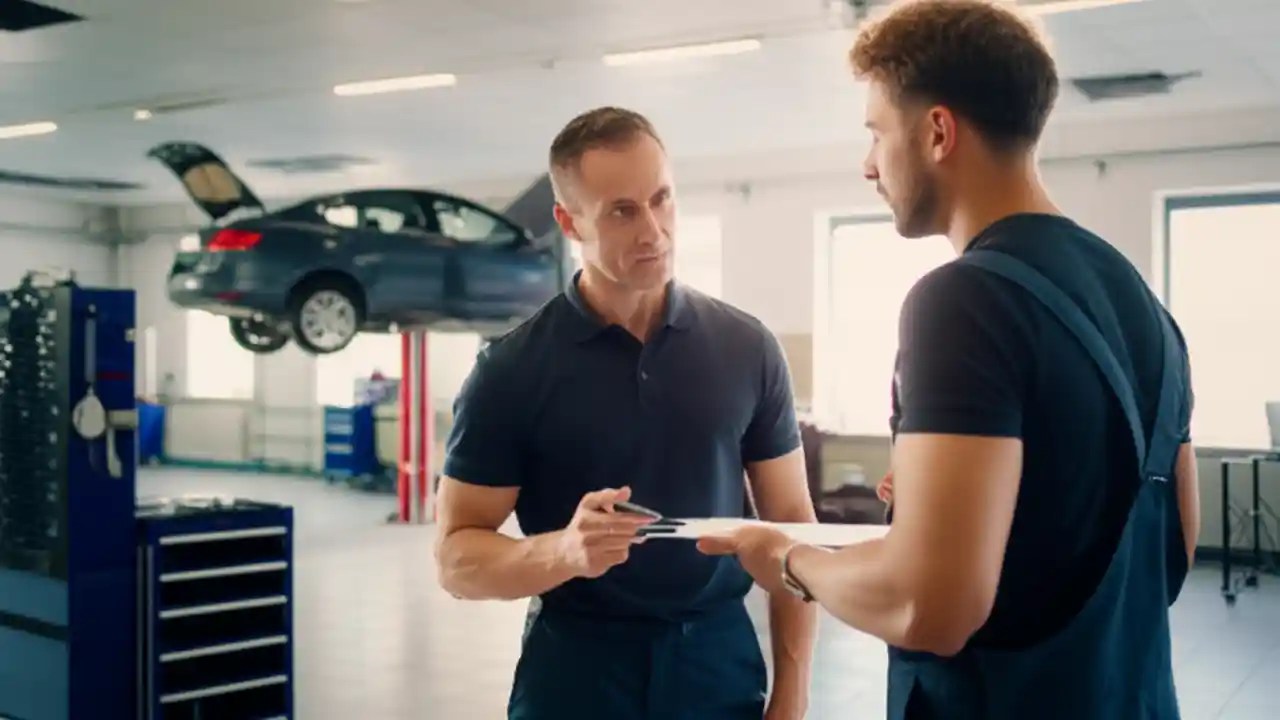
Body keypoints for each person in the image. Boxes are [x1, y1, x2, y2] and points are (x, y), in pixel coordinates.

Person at [699, 2, 1200, 719]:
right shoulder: (1145, 307)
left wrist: (783, 558)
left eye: (876, 132)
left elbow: (926, 605)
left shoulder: (962, 300)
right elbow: (1170, 553)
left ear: (936, 131)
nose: (868, 164)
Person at [434, 106, 819, 720]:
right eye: (623, 211)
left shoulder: (747, 348)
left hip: (717, 661)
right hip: (577, 668)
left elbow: (795, 525)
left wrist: (793, 696)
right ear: (569, 222)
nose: (654, 231)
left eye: (662, 199)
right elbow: (457, 560)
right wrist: (564, 552)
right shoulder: (510, 370)